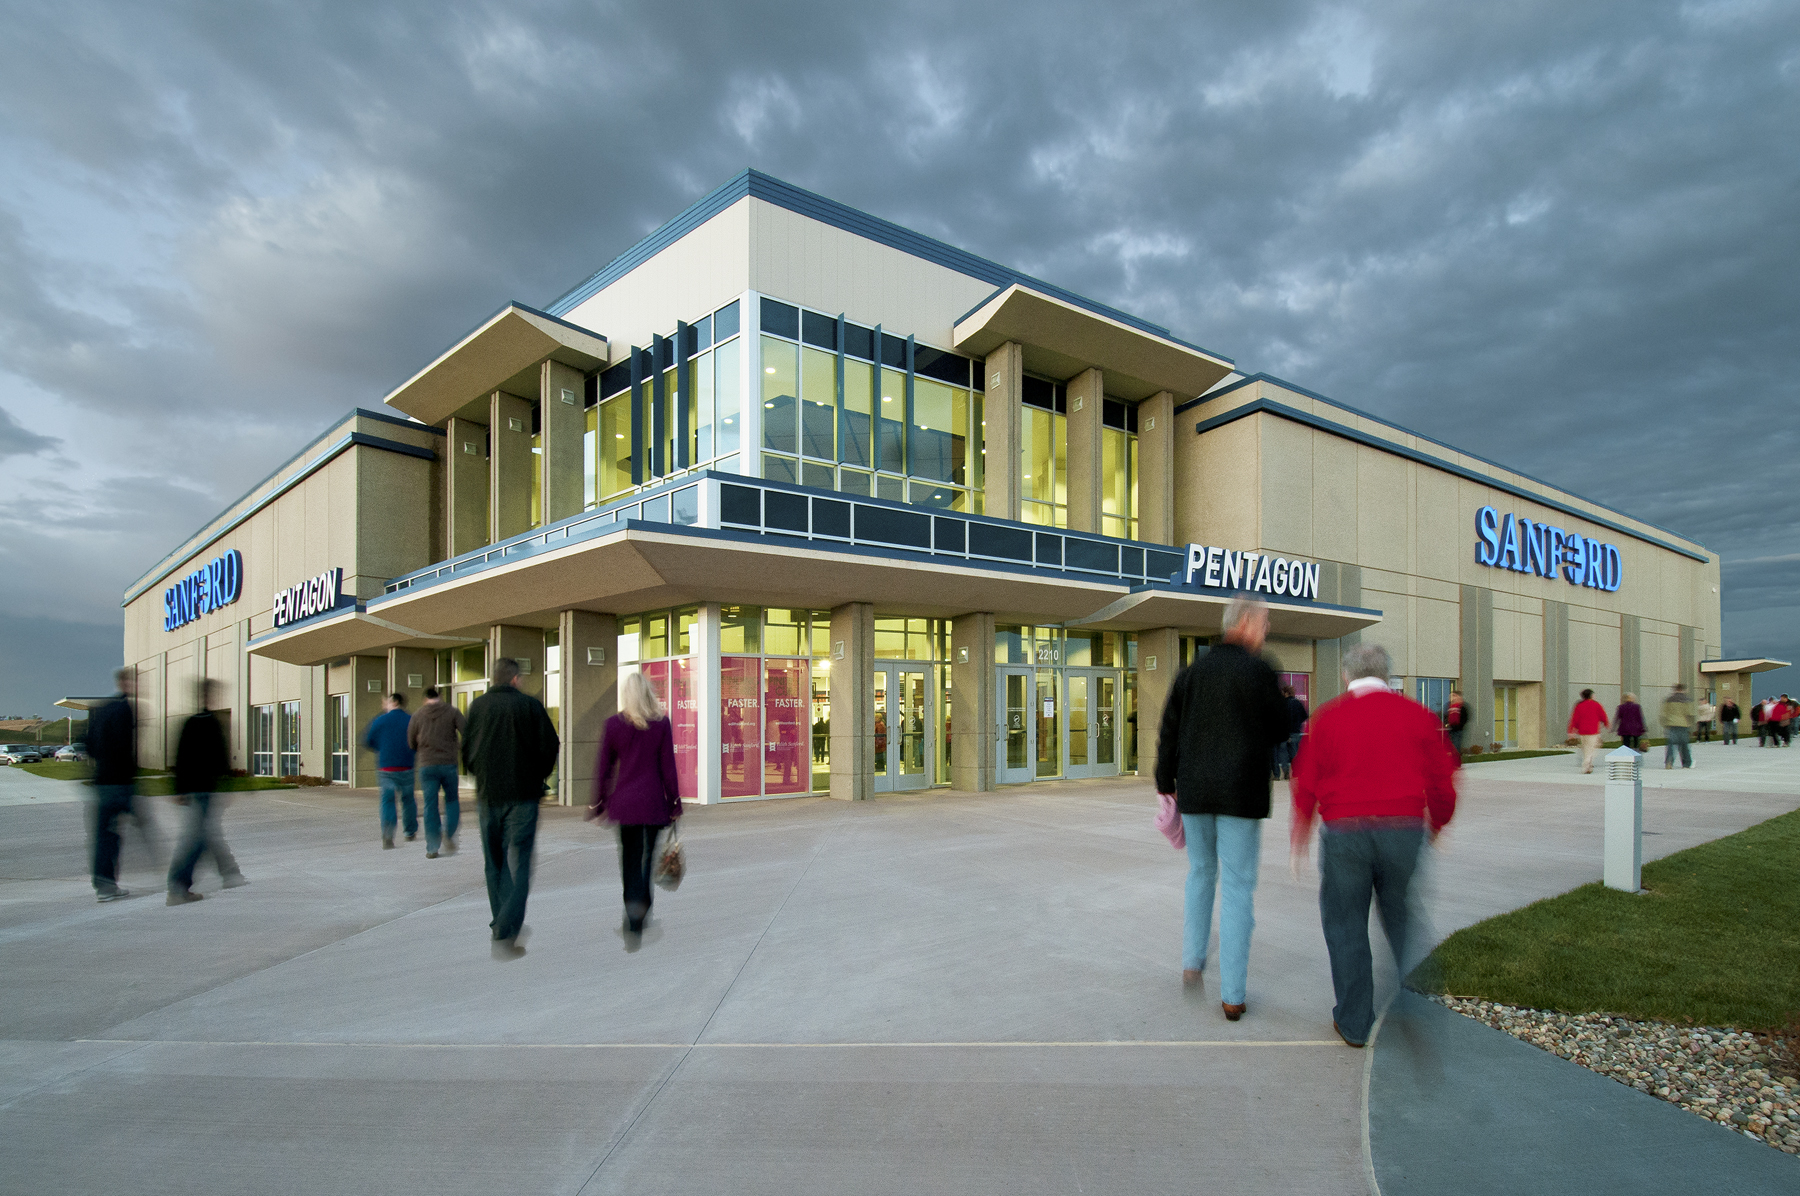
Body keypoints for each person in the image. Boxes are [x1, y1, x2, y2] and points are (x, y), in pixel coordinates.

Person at [1291, 642, 1457, 1049]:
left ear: (1346, 675)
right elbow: (1443, 779)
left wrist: (1301, 833)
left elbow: (1306, 780)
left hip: (1345, 833)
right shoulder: (1417, 716)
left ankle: (1354, 1022)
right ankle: (1414, 1002)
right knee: (1401, 914)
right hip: (1403, 830)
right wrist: (1438, 823)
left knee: (1346, 924)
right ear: (1387, 675)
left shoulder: (1327, 717)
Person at [1154, 596, 1288, 1022]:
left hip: (1195, 793)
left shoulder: (1192, 673)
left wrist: (1165, 783)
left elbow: (1168, 731)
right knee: (1236, 887)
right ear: (1245, 622)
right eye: (1264, 622)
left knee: (1200, 873)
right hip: (1240, 797)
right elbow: (1279, 727)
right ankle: (1232, 995)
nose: (1267, 630)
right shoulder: (1259, 670)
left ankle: (1191, 963)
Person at [463, 658, 559, 960]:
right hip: (523, 797)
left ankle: (501, 925)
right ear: (515, 679)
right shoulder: (530, 706)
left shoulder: (478, 707)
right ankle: (506, 925)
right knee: (521, 864)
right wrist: (538, 776)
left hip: (489, 796)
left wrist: (481, 774)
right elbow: (551, 745)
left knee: (494, 863)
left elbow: (466, 751)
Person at [587, 671, 683, 950]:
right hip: (652, 803)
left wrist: (598, 803)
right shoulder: (661, 724)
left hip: (625, 804)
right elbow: (668, 767)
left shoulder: (613, 725)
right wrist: (674, 802)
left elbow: (604, 768)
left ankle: (633, 917)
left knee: (629, 860)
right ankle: (642, 909)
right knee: (647, 859)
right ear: (648, 693)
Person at [167, 679, 246, 904]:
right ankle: (179, 886)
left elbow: (215, 757)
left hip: (203, 789)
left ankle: (229, 873)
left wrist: (180, 789)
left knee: (205, 833)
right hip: (200, 789)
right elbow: (186, 757)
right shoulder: (206, 723)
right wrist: (180, 790)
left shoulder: (199, 722)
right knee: (199, 839)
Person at [85, 668, 141, 902]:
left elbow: (88, 743)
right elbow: (124, 747)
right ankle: (108, 887)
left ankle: (103, 886)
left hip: (102, 781)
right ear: (126, 683)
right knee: (112, 837)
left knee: (103, 837)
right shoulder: (125, 709)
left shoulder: (103, 708)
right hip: (118, 782)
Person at [408, 687, 465, 858]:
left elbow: (411, 741)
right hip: (449, 764)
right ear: (440, 696)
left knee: (430, 805)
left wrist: (422, 749)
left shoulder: (417, 715)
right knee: (452, 800)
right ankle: (449, 833)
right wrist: (457, 746)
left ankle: (432, 847)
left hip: (427, 765)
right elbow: (467, 732)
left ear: (425, 698)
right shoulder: (453, 712)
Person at [364, 693, 416, 849]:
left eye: (386, 701)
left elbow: (369, 741)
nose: (384, 705)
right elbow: (418, 740)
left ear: (394, 702)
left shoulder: (380, 720)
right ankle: (410, 831)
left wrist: (383, 748)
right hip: (407, 766)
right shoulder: (411, 720)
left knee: (388, 801)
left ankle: (388, 833)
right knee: (408, 800)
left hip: (386, 767)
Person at [1567, 689, 1609, 774]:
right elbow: (1603, 716)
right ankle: (1586, 765)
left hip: (1582, 731)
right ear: (1591, 695)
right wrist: (1606, 724)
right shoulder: (1596, 705)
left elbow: (1574, 719)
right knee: (1592, 749)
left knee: (1586, 748)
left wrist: (1571, 731)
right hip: (1593, 731)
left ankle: (1588, 766)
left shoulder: (1579, 705)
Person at [1273, 685, 1308, 781]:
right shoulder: (1297, 703)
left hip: (1284, 732)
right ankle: (1296, 772)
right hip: (1296, 732)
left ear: (1285, 693)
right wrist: (1297, 724)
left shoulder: (1282, 704)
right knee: (1294, 753)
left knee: (1283, 753)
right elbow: (1304, 716)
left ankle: (1285, 772)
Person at [1660, 683, 1694, 769]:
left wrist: (1664, 724)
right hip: (1683, 724)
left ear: (1675, 690)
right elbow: (1690, 713)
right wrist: (1690, 724)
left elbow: (1664, 713)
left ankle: (1669, 762)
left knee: (1671, 745)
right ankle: (1686, 763)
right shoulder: (1687, 700)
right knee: (1684, 745)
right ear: (1683, 690)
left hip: (1671, 724)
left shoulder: (1668, 700)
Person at [1443, 690, 1468, 755]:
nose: (1451, 698)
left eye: (1453, 696)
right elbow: (1445, 715)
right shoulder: (1448, 706)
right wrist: (1447, 724)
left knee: (1456, 745)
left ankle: (1456, 758)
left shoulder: (1462, 706)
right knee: (1449, 746)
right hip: (1450, 729)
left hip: (1458, 730)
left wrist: (1460, 726)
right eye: (1451, 696)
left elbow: (1464, 718)